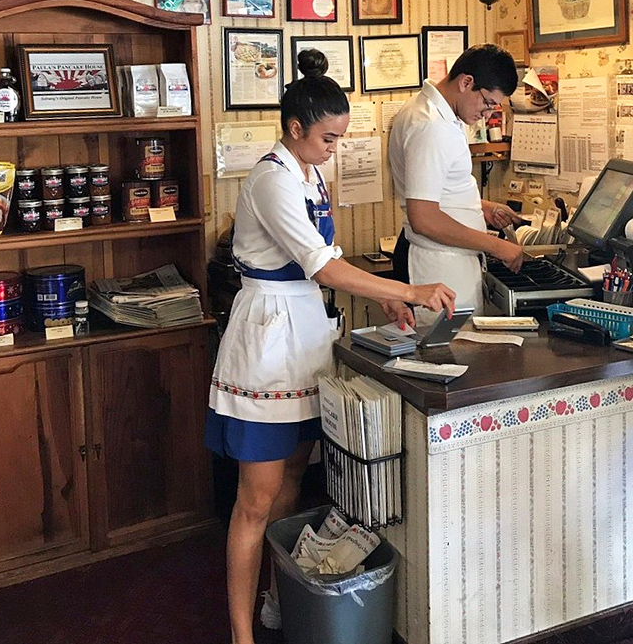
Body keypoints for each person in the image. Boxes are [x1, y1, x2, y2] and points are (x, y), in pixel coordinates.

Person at [206, 50, 455, 644]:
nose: (334, 150)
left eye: (340, 139)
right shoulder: (271, 178)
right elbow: (320, 265)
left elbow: (329, 260)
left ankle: (278, 599)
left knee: (296, 477)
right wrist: (407, 289)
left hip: (307, 335)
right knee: (256, 500)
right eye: (327, 139)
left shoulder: (310, 172)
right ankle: (241, 634)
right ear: (295, 128)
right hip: (267, 341)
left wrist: (384, 299)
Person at [388, 43, 524, 316]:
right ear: (466, 82)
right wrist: (498, 246)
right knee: (449, 343)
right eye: (488, 103)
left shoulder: (436, 113)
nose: (487, 115)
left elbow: (435, 191)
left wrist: (482, 207)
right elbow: (423, 218)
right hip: (437, 262)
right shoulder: (431, 126)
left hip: (447, 258)